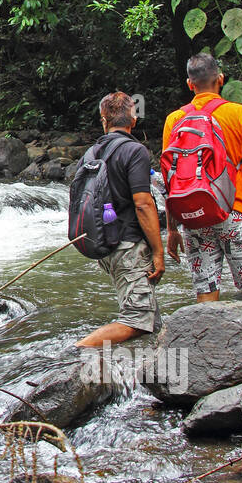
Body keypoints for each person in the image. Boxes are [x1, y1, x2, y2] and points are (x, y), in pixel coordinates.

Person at [161, 54, 242, 304]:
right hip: (236, 212)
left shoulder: (174, 120)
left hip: (195, 214)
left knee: (206, 293)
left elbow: (172, 178)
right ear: (220, 80)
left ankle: (206, 343)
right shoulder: (241, 114)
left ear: (190, 85)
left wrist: (172, 229)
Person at [76, 92, 166, 348]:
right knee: (138, 320)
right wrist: (158, 251)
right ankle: (78, 352)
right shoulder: (135, 151)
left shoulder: (90, 154)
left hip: (105, 246)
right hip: (129, 247)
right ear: (133, 120)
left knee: (151, 323)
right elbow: (143, 203)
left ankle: (139, 380)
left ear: (103, 120)